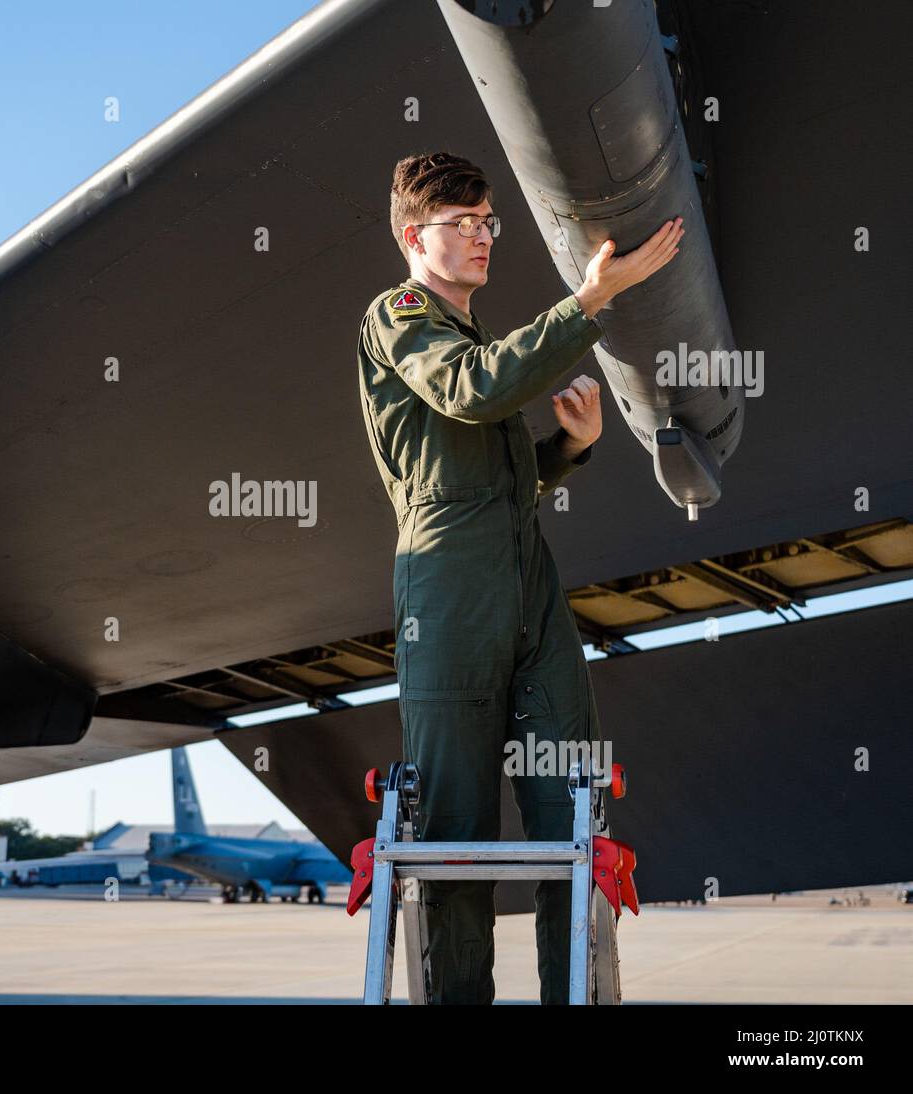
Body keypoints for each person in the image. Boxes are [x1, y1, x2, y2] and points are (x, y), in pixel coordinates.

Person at [357, 151, 682, 1004]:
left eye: (487, 222)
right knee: (456, 833)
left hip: (526, 582)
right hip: (448, 592)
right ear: (410, 236)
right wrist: (590, 300)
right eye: (461, 224)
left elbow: (501, 483)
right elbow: (472, 392)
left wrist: (568, 449)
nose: (481, 237)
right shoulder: (400, 319)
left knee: (571, 808)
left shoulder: (472, 342)